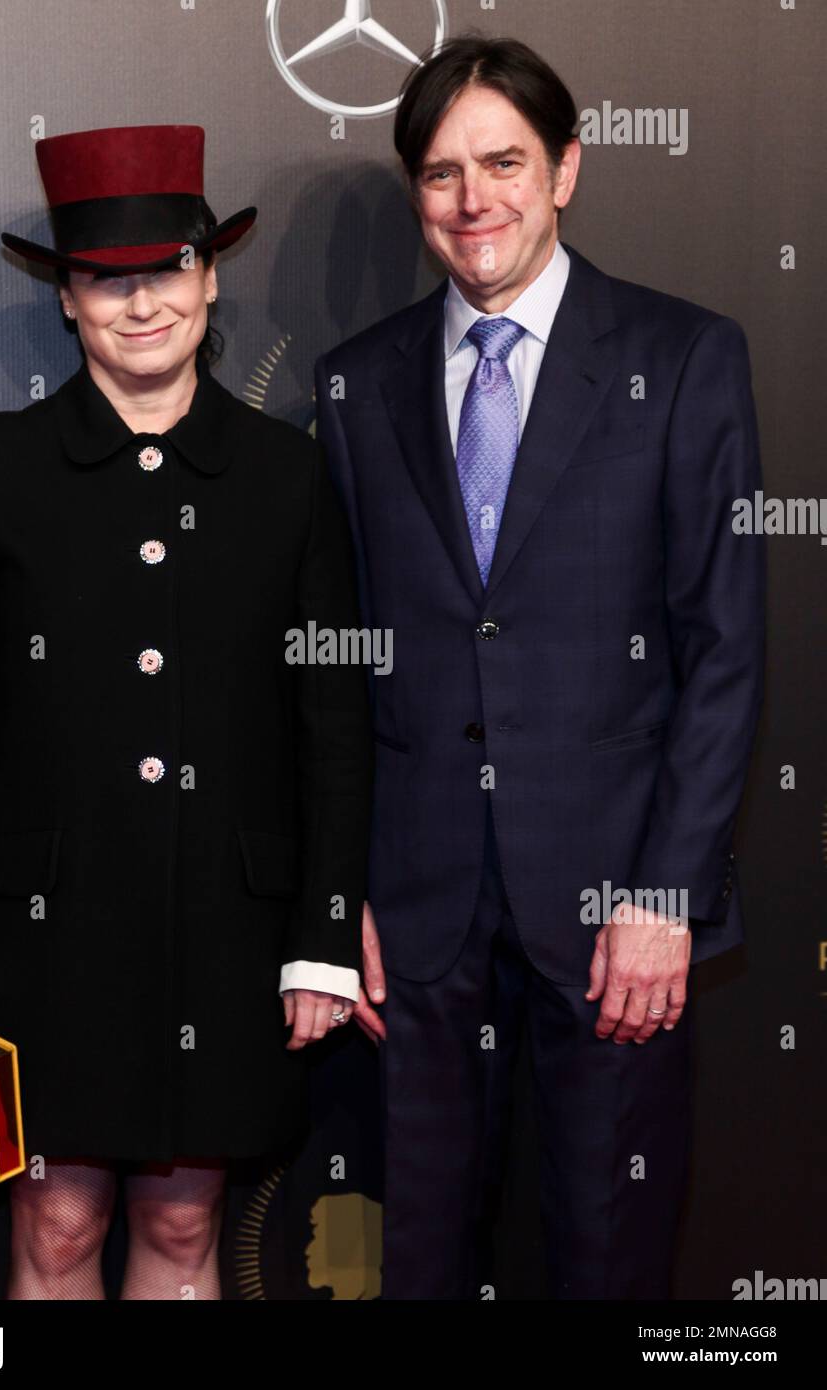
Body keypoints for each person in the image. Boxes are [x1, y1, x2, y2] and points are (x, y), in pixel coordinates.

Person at [314, 37, 765, 1299]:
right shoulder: (356, 385)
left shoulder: (684, 358)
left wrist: (664, 898)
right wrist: (336, 890)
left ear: (565, 168)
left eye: (504, 162)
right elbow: (338, 668)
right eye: (442, 173)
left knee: (607, 1261)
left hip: (617, 912)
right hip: (415, 915)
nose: (475, 202)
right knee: (414, 1263)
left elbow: (725, 649)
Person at [0, 123, 372, 1300]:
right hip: (41, 933)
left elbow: (333, 722)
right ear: (67, 300)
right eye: (108, 280)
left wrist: (324, 931)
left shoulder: (286, 473)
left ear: (211, 277)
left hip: (230, 929)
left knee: (184, 1226)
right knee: (54, 1230)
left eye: (168, 271)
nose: (142, 303)